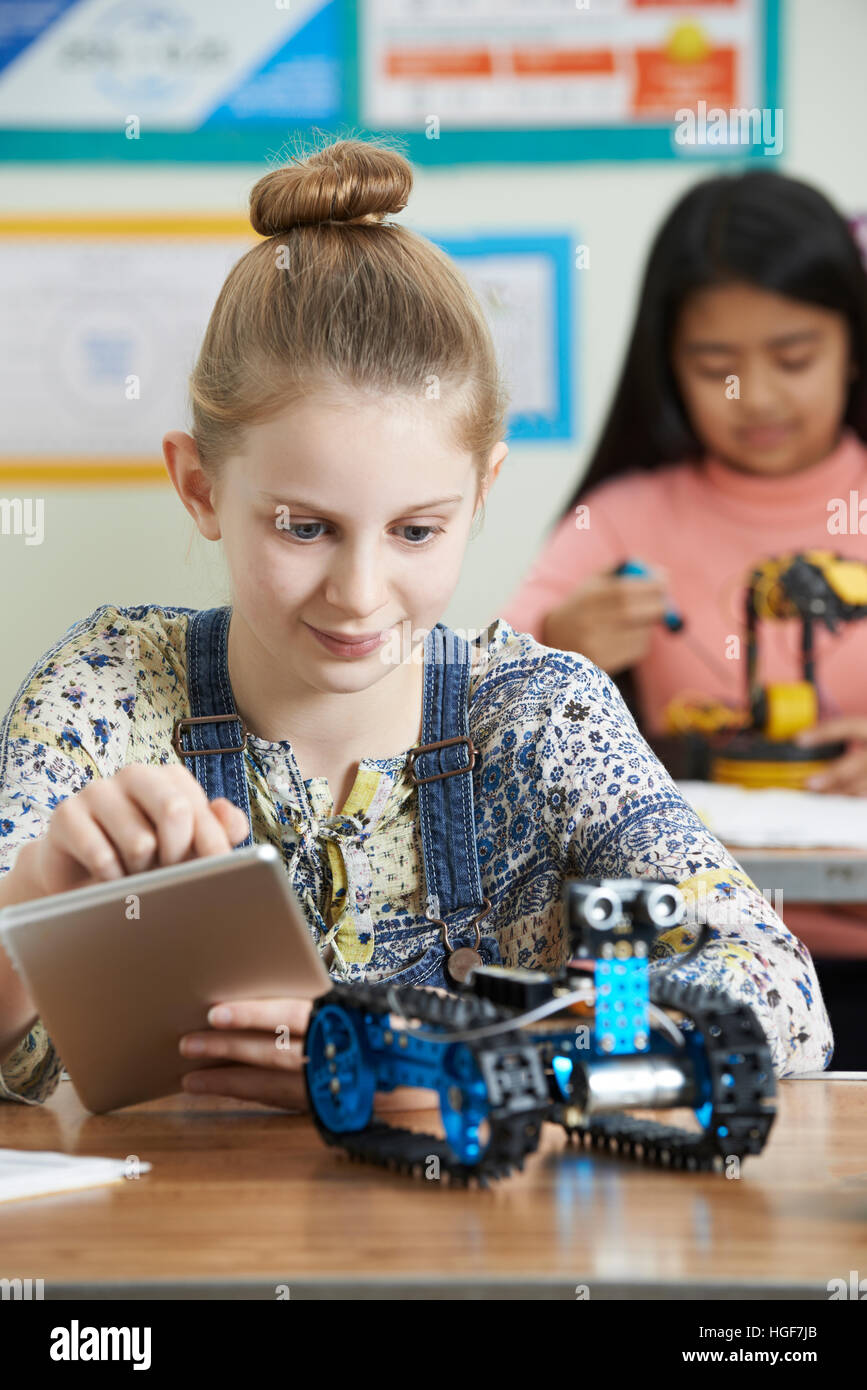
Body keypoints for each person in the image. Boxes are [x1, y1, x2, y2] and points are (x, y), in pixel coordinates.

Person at [0, 141, 831, 1113]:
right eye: (304, 527)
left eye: (416, 530)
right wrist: (31, 900)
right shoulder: (105, 692)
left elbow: (782, 1004)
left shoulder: (543, 716)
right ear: (200, 486)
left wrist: (454, 1061)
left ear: (482, 494)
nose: (359, 591)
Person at [503, 169, 867, 1065]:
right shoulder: (624, 517)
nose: (759, 397)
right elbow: (478, 681)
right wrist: (561, 647)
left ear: (854, 345)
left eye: (793, 356)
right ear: (667, 362)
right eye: (717, 367)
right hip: (680, 967)